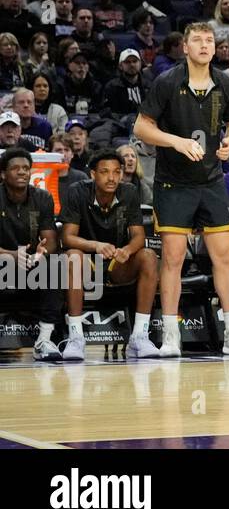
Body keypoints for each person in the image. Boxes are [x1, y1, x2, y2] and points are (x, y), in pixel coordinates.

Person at [133, 21, 229, 357]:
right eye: (197, 40)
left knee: (225, 257)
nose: (204, 45)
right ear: (185, 47)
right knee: (173, 259)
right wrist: (175, 141)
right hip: (173, 183)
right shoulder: (167, 82)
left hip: (211, 181)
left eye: (209, 40)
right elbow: (141, 127)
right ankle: (171, 335)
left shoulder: (225, 83)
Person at [59, 150, 161, 360]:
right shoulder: (76, 191)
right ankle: (76, 337)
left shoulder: (129, 192)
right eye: (105, 172)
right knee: (72, 256)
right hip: (88, 263)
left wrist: (128, 250)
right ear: (93, 174)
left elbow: (138, 237)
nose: (112, 177)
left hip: (118, 262)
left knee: (148, 256)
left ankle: (139, 336)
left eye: (117, 172)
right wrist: (95, 245)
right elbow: (67, 238)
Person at [0, 148, 61, 361]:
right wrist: (11, 255)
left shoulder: (42, 198)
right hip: (3, 266)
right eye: (15, 168)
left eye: (26, 168)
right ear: (3, 174)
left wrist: (42, 253)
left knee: (56, 264)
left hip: (31, 265)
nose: (22, 172)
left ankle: (44, 340)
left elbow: (51, 240)